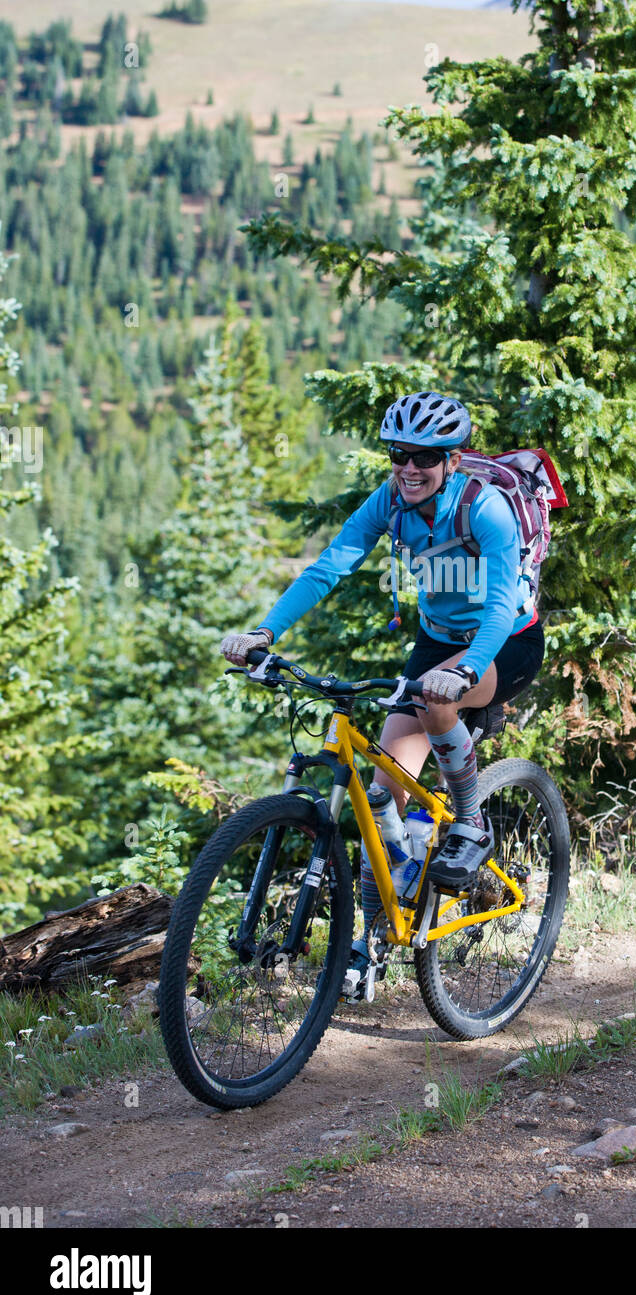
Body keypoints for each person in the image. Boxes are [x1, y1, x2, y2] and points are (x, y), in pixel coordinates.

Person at [220, 390, 545, 992]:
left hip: (506, 643)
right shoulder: (390, 501)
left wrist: (468, 670)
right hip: (436, 643)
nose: (409, 468)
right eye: (399, 455)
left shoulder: (486, 509)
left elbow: (500, 605)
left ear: (451, 459)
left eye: (425, 456)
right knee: (381, 798)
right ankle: (369, 945)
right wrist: (264, 631)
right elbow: (329, 567)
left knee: (435, 700)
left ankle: (470, 821)